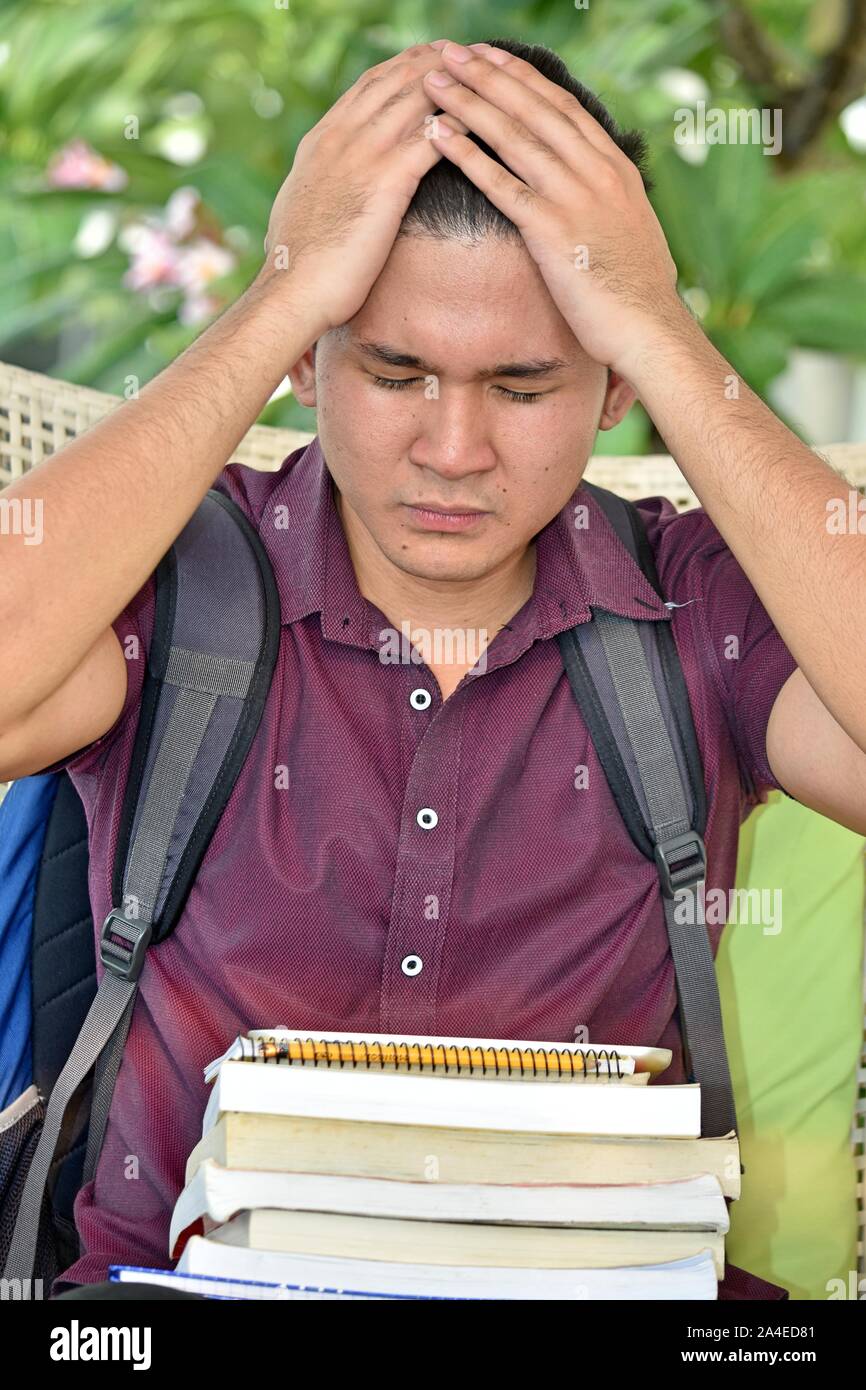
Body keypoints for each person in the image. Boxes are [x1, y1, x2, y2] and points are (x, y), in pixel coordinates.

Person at [2, 37, 864, 1301]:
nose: (450, 450)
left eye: (521, 386)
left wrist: (658, 324)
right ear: (310, 362)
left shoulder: (700, 598)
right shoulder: (174, 579)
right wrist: (273, 302)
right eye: (394, 372)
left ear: (611, 383)